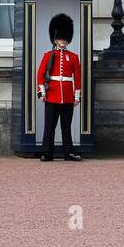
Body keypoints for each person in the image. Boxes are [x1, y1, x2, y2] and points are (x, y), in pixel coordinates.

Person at [36, 13, 82, 161]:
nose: (63, 41)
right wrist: (42, 93)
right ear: (55, 39)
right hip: (52, 95)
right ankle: (47, 152)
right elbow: (40, 75)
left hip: (68, 97)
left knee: (66, 126)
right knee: (49, 126)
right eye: (60, 38)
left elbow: (78, 78)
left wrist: (77, 97)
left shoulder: (73, 57)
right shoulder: (49, 55)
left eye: (65, 38)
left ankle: (68, 152)